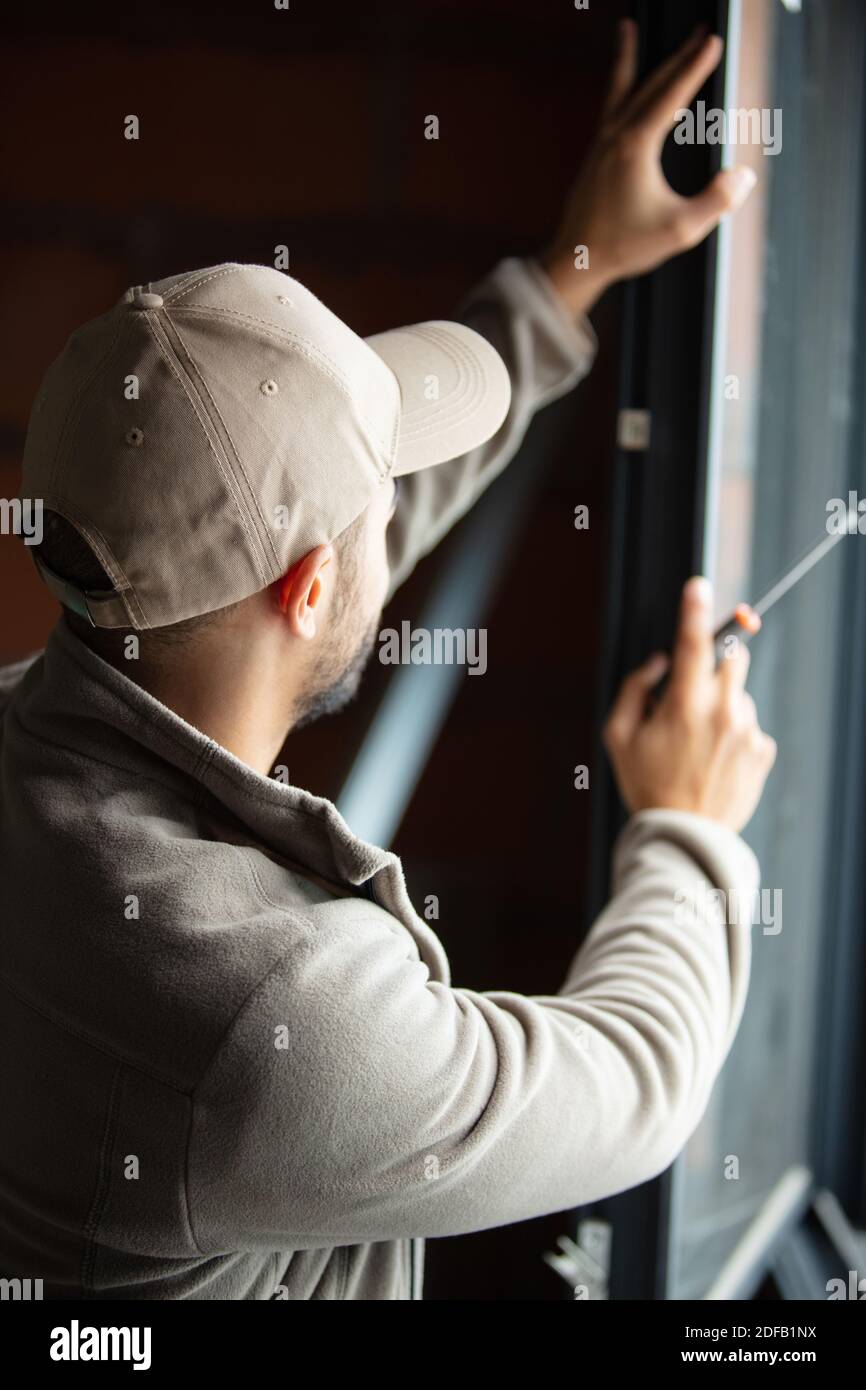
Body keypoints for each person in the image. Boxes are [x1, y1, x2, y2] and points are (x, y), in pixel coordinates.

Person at [0, 23, 775, 1300]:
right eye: (379, 494)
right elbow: (636, 1081)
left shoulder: (42, 724)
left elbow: (287, 575)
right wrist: (686, 828)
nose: (395, 508)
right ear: (309, 589)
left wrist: (569, 274)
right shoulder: (271, 1014)